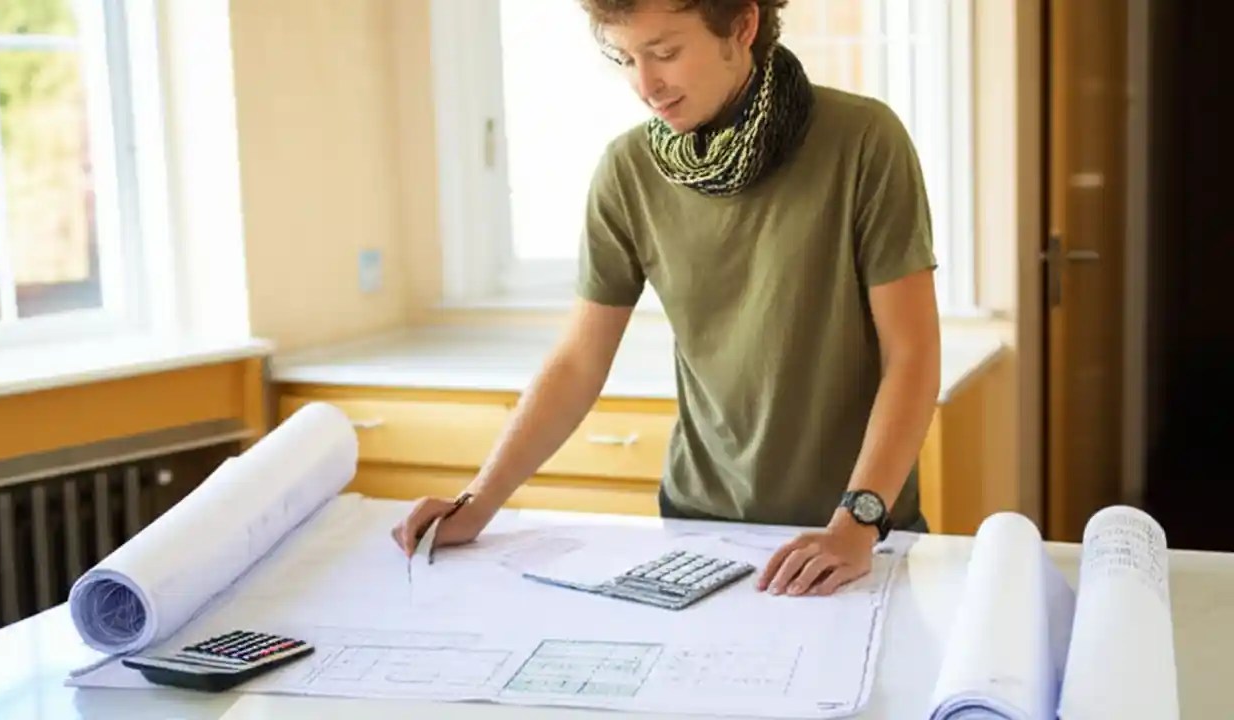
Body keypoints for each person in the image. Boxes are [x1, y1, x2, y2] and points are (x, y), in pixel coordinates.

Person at [392, 0, 941, 598]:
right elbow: (579, 362)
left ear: (743, 26)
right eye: (626, 59)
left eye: (665, 53)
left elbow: (911, 356)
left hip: (856, 534)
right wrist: (477, 501)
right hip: (699, 529)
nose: (645, 85)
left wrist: (856, 523)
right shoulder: (628, 171)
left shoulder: (863, 140)